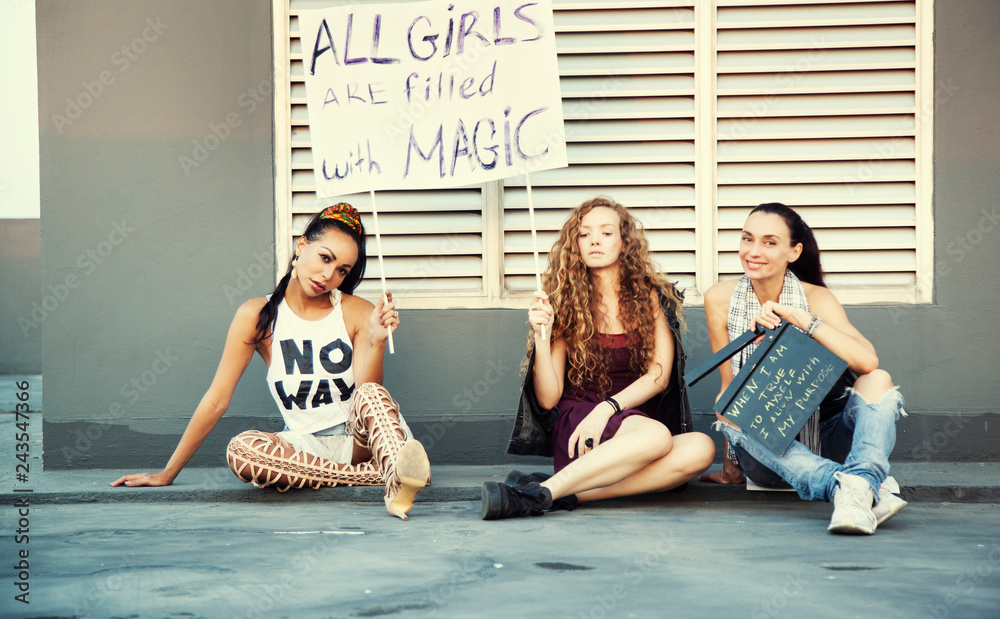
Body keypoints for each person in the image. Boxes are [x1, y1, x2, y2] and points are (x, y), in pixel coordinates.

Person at [112, 203, 431, 520]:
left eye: (342, 270)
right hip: (308, 448)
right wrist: (168, 472)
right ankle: (389, 475)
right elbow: (217, 400)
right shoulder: (256, 316)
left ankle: (393, 476)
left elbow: (367, 393)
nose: (328, 275)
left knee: (370, 395)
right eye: (325, 258)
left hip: (365, 441)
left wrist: (377, 341)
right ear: (301, 246)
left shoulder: (359, 312)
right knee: (242, 450)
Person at [485, 197, 716, 519]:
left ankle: (550, 493)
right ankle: (550, 490)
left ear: (625, 244)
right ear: (575, 245)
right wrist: (542, 334)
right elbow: (549, 399)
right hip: (582, 422)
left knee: (701, 447)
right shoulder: (564, 302)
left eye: (606, 233)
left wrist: (608, 409)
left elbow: (659, 375)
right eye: (584, 234)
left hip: (631, 419)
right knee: (656, 436)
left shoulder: (651, 296)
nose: (594, 239)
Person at [701, 202, 907, 534]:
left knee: (878, 379)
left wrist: (801, 320)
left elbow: (868, 361)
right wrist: (730, 469)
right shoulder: (720, 299)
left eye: (769, 242)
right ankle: (852, 487)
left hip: (825, 439)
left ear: (794, 252)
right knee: (727, 409)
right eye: (747, 239)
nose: (753, 251)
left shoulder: (816, 299)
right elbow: (729, 390)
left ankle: (856, 485)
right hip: (770, 454)